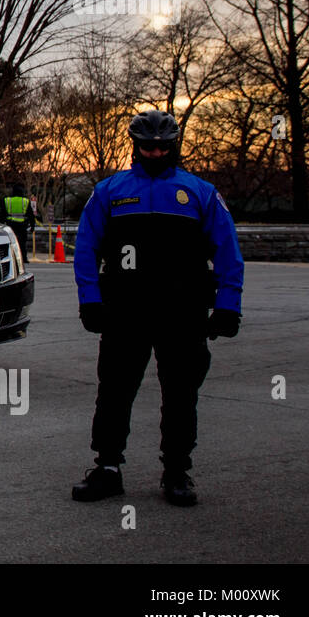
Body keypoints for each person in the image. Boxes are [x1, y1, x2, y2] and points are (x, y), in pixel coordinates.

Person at [71, 110, 243, 507]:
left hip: (182, 313)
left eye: (163, 146)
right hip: (124, 312)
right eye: (147, 146)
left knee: (181, 393)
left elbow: (229, 251)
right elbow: (85, 249)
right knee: (114, 391)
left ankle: (177, 471)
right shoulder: (110, 191)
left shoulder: (199, 192)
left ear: (175, 145)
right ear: (135, 145)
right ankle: (108, 468)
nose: (155, 152)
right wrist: (90, 300)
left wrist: (229, 306)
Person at [3, 182, 34, 263]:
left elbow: (2, 213)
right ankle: (24, 258)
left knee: (11, 242)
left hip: (10, 224)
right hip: (22, 224)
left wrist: (3, 224)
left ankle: (12, 258)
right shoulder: (25, 201)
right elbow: (30, 215)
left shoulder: (7, 200)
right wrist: (32, 226)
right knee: (22, 243)